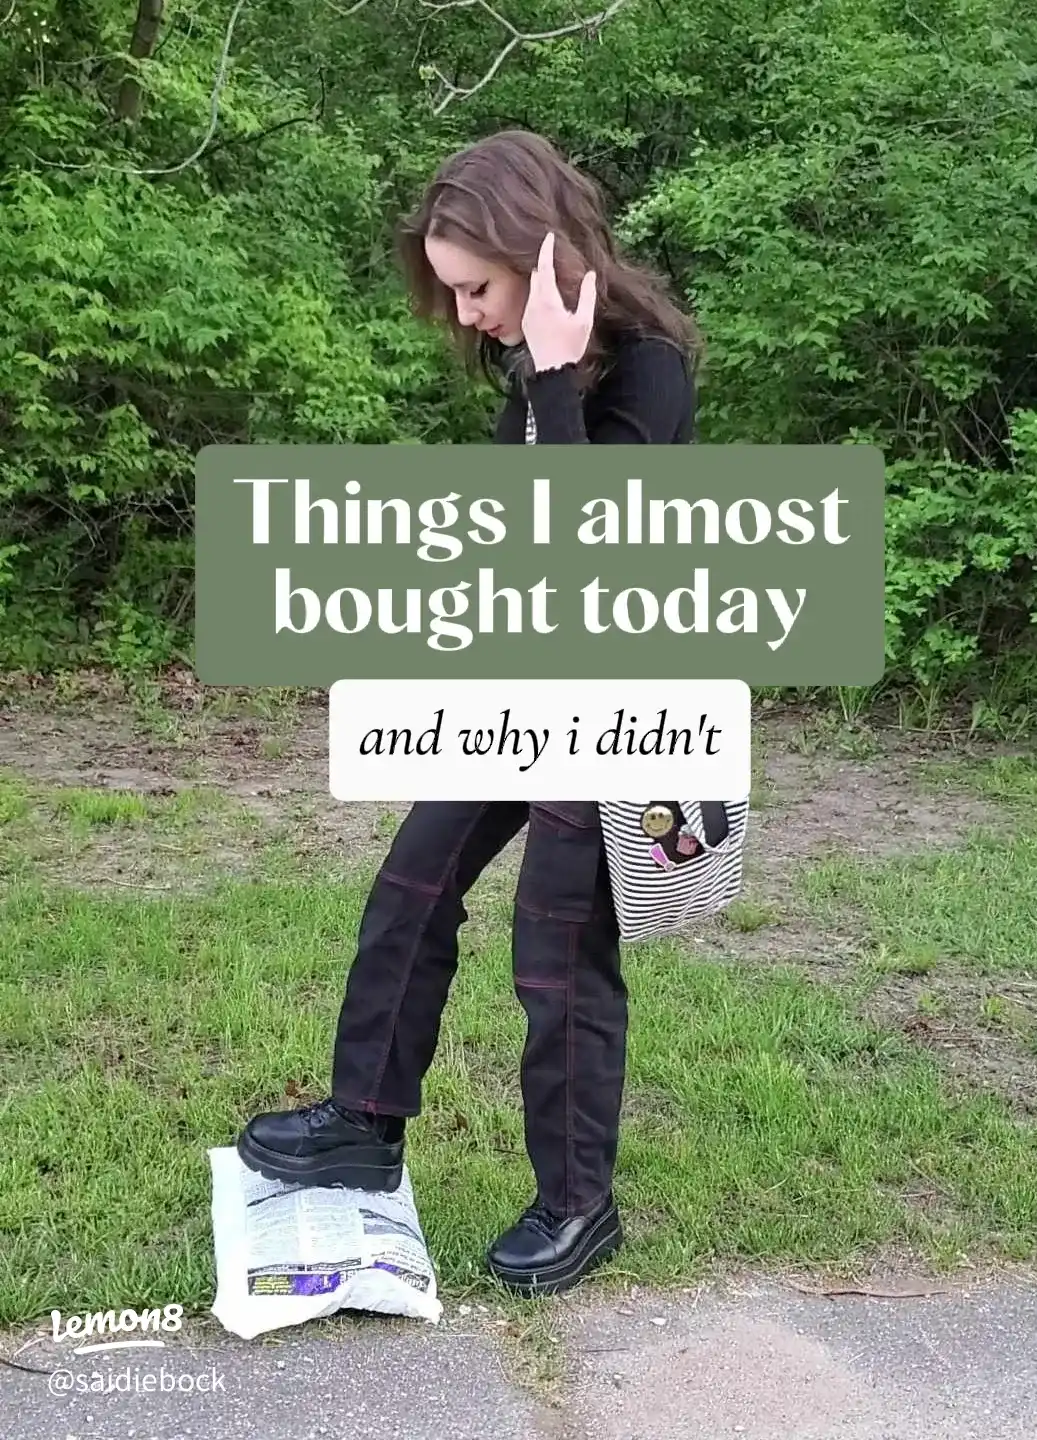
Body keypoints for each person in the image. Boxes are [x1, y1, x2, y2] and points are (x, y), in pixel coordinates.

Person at [237, 129, 700, 1296]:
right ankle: (362, 1118)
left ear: (540, 258)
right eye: (452, 293)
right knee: (414, 879)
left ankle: (577, 1206)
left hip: (617, 707)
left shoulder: (649, 368)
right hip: (523, 686)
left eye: (478, 289)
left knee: (557, 948)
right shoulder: (524, 364)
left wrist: (551, 378)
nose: (468, 315)